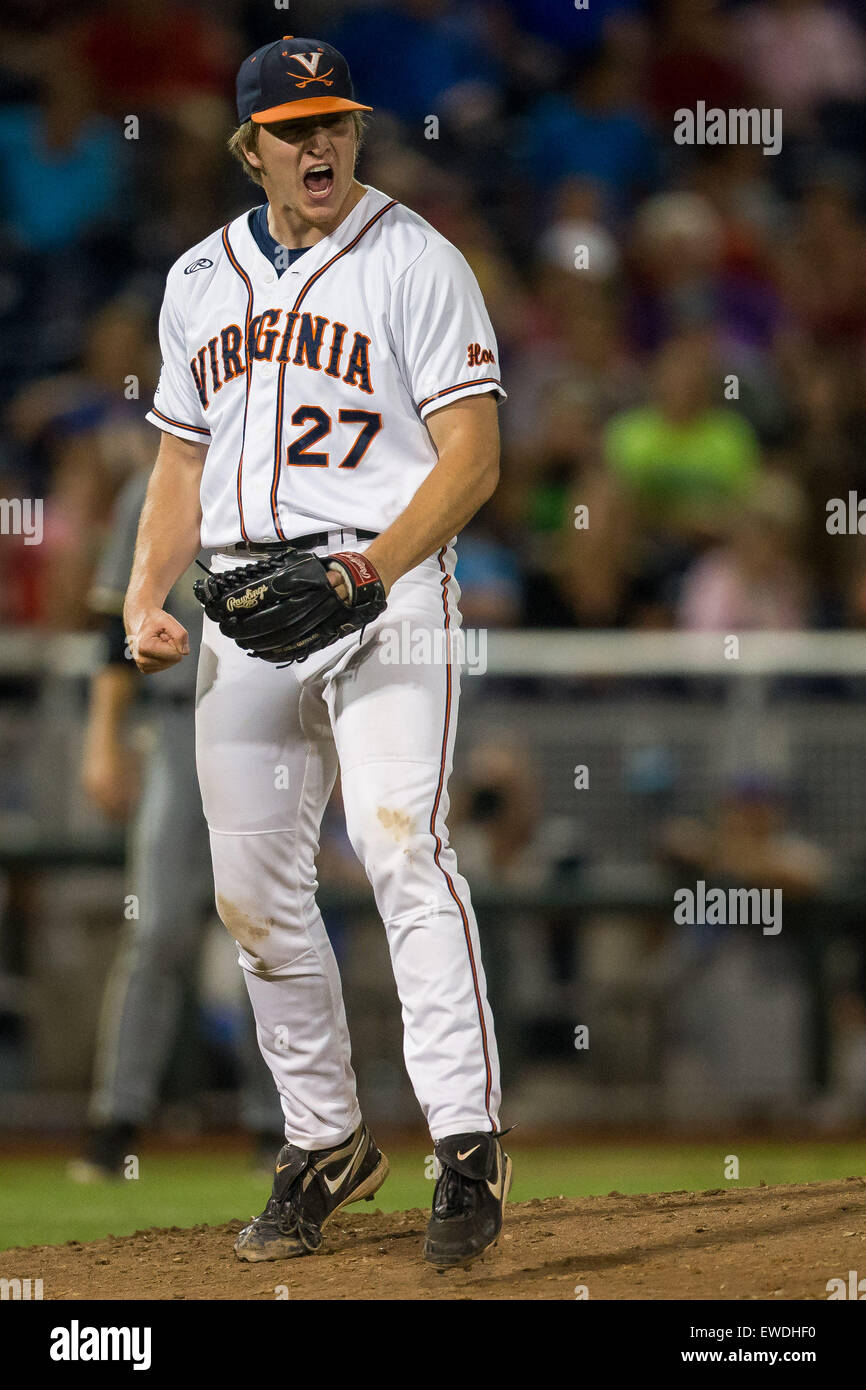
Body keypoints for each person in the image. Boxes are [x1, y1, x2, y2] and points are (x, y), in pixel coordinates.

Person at [123, 36, 510, 1270]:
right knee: (252, 902)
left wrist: (364, 572)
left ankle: (464, 1143)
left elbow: (473, 458)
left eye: (332, 121)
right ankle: (322, 1141)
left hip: (379, 581)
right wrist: (141, 594)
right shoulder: (197, 276)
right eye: (290, 128)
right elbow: (181, 459)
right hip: (242, 600)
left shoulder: (415, 259)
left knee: (402, 844)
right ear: (249, 149)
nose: (317, 144)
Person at [72, 470, 281, 1180]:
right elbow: (113, 627)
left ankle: (280, 1124)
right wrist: (103, 738)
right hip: (173, 726)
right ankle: (117, 1121)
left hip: (269, 726)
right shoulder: (156, 482)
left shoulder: (287, 468)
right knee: (158, 926)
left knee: (263, 923)